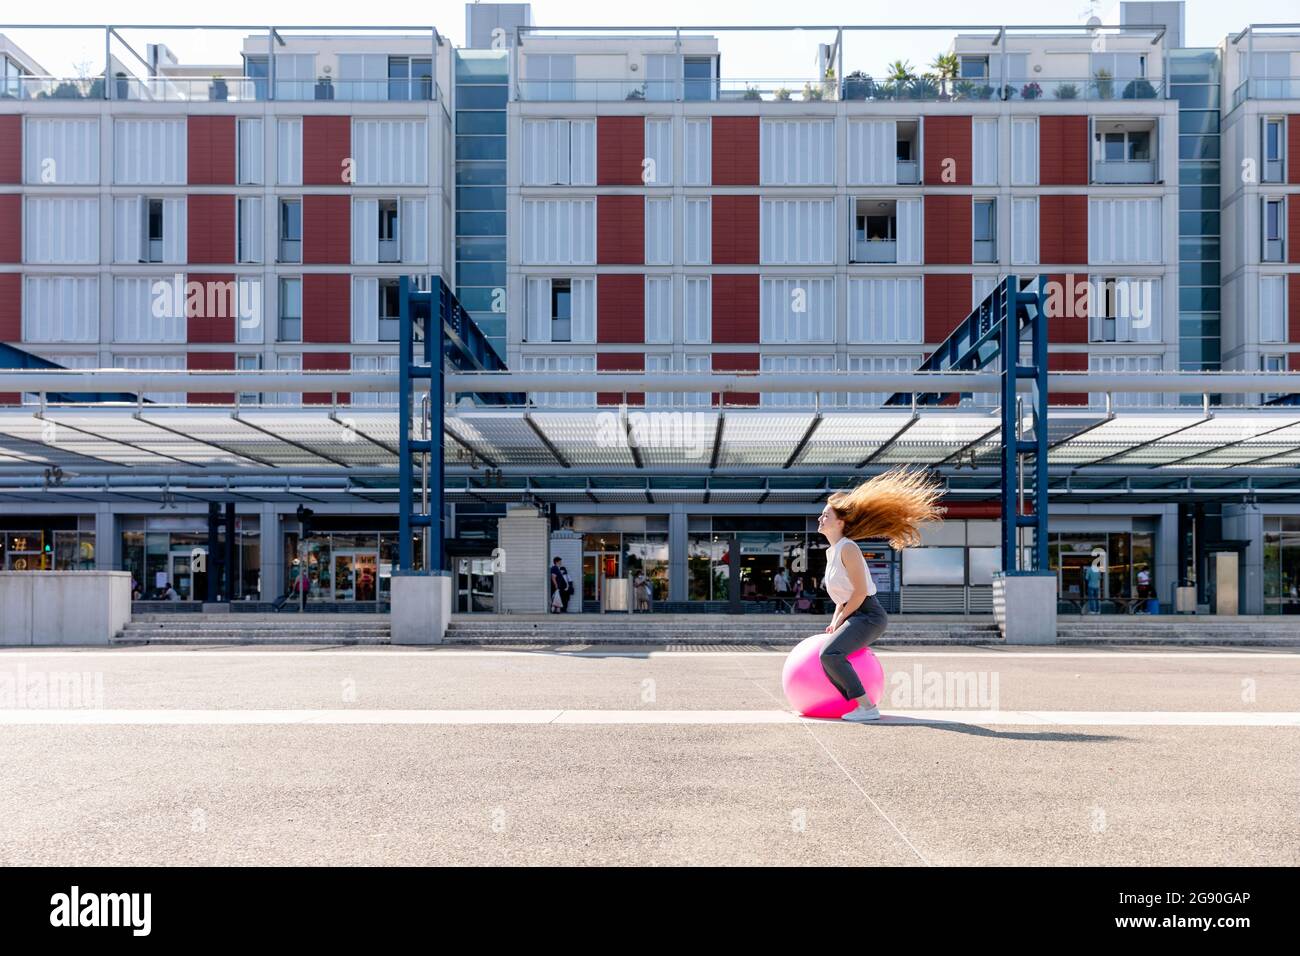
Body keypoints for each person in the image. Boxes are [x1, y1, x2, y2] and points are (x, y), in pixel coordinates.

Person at [816, 469, 944, 722]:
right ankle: (854, 704)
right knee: (827, 654)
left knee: (830, 654)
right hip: (855, 612)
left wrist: (841, 619)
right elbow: (843, 597)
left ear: (840, 522)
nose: (820, 518)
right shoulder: (832, 552)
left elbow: (861, 592)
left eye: (826, 515)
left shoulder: (848, 548)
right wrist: (834, 621)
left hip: (869, 615)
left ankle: (867, 707)